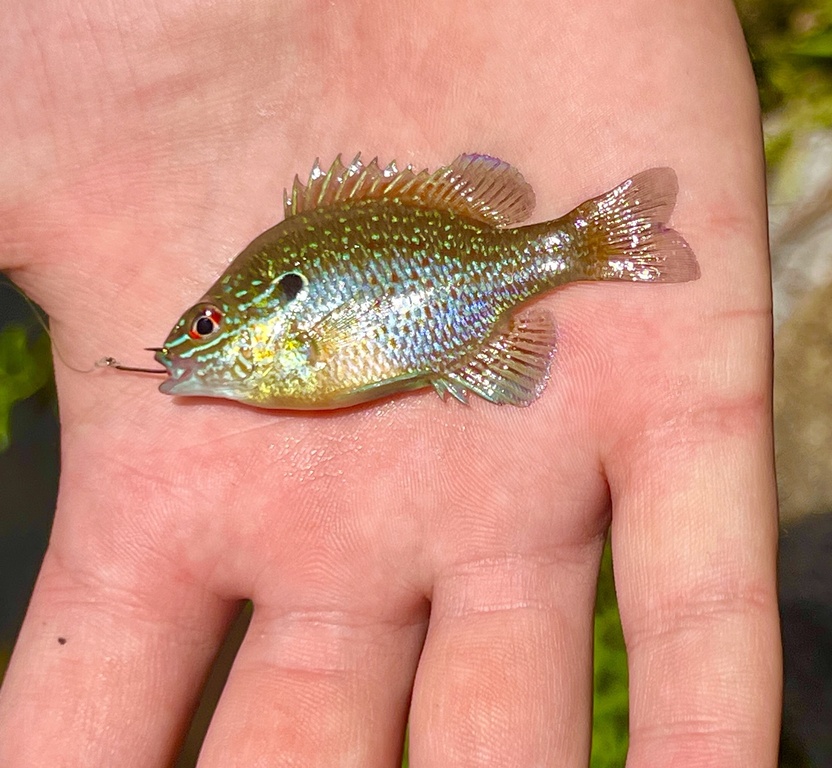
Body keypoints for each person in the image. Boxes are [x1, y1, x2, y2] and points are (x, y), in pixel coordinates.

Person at [0, 0, 780, 764]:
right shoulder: (266, 320)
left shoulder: (290, 332)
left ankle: (589, 243)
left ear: (257, 315)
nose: (188, 347)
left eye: (205, 327)